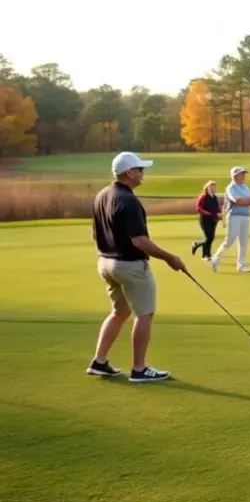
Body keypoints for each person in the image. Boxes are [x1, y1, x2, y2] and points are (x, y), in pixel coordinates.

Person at [88, 151, 185, 383]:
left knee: (120, 311)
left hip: (105, 263)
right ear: (129, 173)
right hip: (129, 265)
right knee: (144, 313)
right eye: (140, 170)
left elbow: (95, 235)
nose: (143, 173)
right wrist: (170, 258)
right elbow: (139, 241)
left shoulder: (102, 195)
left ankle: (99, 362)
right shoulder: (129, 200)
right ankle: (139, 369)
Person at [211, 166, 250, 273]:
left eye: (244, 174)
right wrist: (247, 200)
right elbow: (237, 200)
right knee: (230, 239)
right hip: (234, 216)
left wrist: (246, 200)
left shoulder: (245, 187)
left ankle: (241, 264)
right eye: (242, 174)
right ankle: (216, 258)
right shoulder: (230, 187)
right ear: (235, 176)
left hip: (246, 216)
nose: (244, 176)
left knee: (244, 240)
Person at [191, 180, 221, 261]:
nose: (213, 188)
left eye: (214, 187)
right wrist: (206, 213)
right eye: (211, 187)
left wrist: (219, 214)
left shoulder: (214, 197)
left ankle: (201, 248)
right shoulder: (203, 196)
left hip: (213, 219)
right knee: (208, 237)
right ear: (207, 188)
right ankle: (205, 255)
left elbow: (216, 208)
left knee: (211, 237)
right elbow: (198, 208)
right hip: (204, 219)